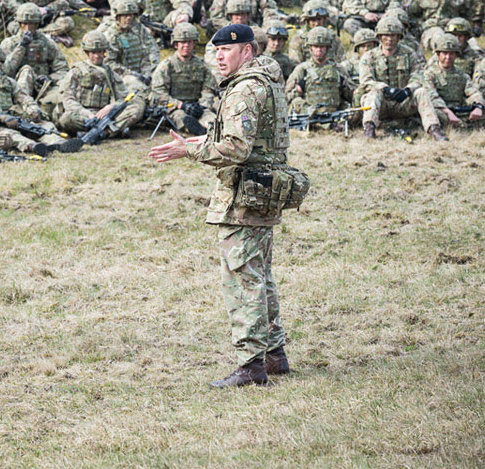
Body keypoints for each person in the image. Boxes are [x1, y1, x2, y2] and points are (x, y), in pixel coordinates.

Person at [149, 23, 308, 388]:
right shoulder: (264, 82)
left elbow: (238, 148)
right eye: (215, 51)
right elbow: (254, 136)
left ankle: (251, 365)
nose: (219, 57)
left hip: (246, 195)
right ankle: (274, 354)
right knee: (260, 275)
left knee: (243, 278)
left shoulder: (246, 88)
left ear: (247, 52)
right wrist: (202, 138)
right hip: (264, 190)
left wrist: (187, 149)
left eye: (227, 50)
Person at [359, 16, 446, 141]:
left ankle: (434, 129)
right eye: (386, 35)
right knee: (372, 94)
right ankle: (369, 129)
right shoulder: (369, 57)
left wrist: (407, 90)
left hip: (403, 102)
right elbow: (366, 81)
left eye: (393, 35)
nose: (389, 39)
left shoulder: (409, 53)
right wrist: (385, 89)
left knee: (421, 92)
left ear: (399, 37)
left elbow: (418, 76)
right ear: (379, 36)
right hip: (381, 104)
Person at [54, 30, 145, 137]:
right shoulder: (77, 71)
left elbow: (124, 98)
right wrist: (87, 114)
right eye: (93, 52)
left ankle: (103, 132)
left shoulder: (110, 73)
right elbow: (68, 99)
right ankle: (114, 131)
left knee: (136, 108)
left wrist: (110, 107)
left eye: (100, 52)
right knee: (66, 119)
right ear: (87, 53)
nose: (97, 56)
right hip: (83, 115)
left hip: (106, 115)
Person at [150, 22, 216, 134]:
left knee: (212, 120)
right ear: (175, 44)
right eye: (182, 42)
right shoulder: (166, 66)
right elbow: (158, 93)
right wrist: (181, 105)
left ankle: (211, 129)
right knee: (182, 118)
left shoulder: (202, 66)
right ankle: (200, 131)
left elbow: (208, 90)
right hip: (175, 108)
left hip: (197, 106)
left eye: (190, 42)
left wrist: (202, 106)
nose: (186, 46)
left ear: (194, 43)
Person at [422, 34, 485, 131]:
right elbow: (432, 96)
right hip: (442, 110)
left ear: (456, 55)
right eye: (444, 53)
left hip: (460, 110)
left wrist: (478, 107)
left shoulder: (462, 75)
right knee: (435, 115)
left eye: (451, 54)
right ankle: (469, 127)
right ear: (438, 54)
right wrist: (448, 112)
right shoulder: (429, 74)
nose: (448, 57)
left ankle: (460, 126)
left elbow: (473, 92)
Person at [285, 26, 354, 117]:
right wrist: (298, 90)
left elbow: (352, 95)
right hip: (309, 113)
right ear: (310, 48)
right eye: (316, 46)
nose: (319, 50)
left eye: (322, 47)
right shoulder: (302, 69)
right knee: (296, 102)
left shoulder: (338, 69)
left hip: (334, 111)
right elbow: (286, 97)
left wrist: (344, 86)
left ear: (328, 48)